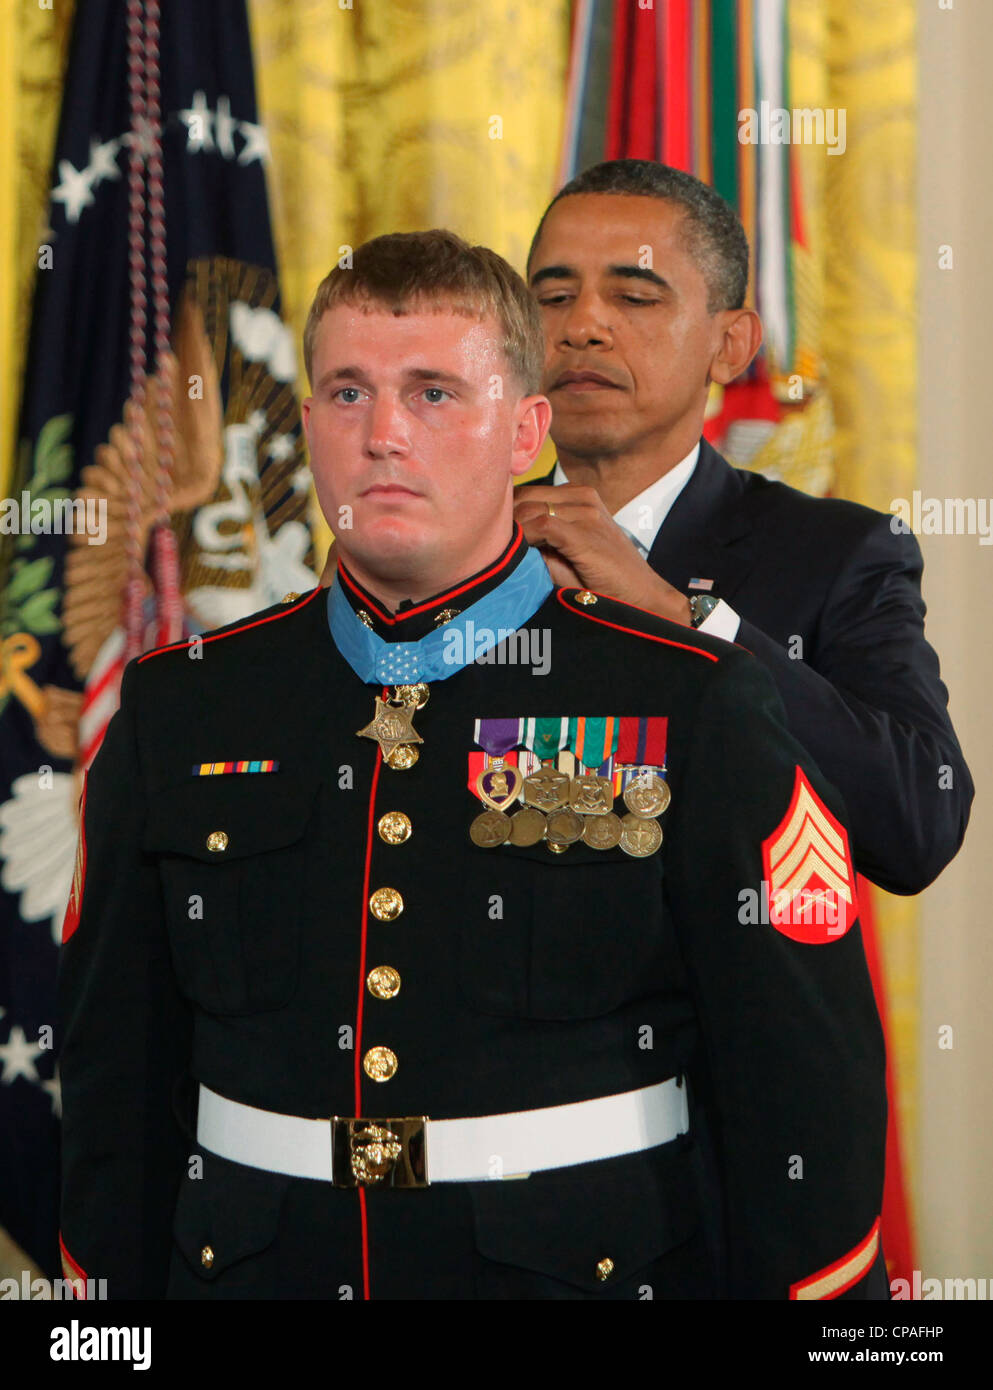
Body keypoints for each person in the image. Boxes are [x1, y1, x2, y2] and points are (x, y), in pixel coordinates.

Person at [59, 229, 888, 1301]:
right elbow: (116, 1084)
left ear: (525, 430)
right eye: (348, 394)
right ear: (306, 426)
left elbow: (803, 1092)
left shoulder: (689, 700)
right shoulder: (184, 703)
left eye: (436, 394)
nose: (385, 436)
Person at [515, 159, 972, 895]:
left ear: (729, 345)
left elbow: (919, 822)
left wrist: (680, 615)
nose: (582, 327)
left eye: (632, 296)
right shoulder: (464, 548)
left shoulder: (834, 554)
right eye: (554, 296)